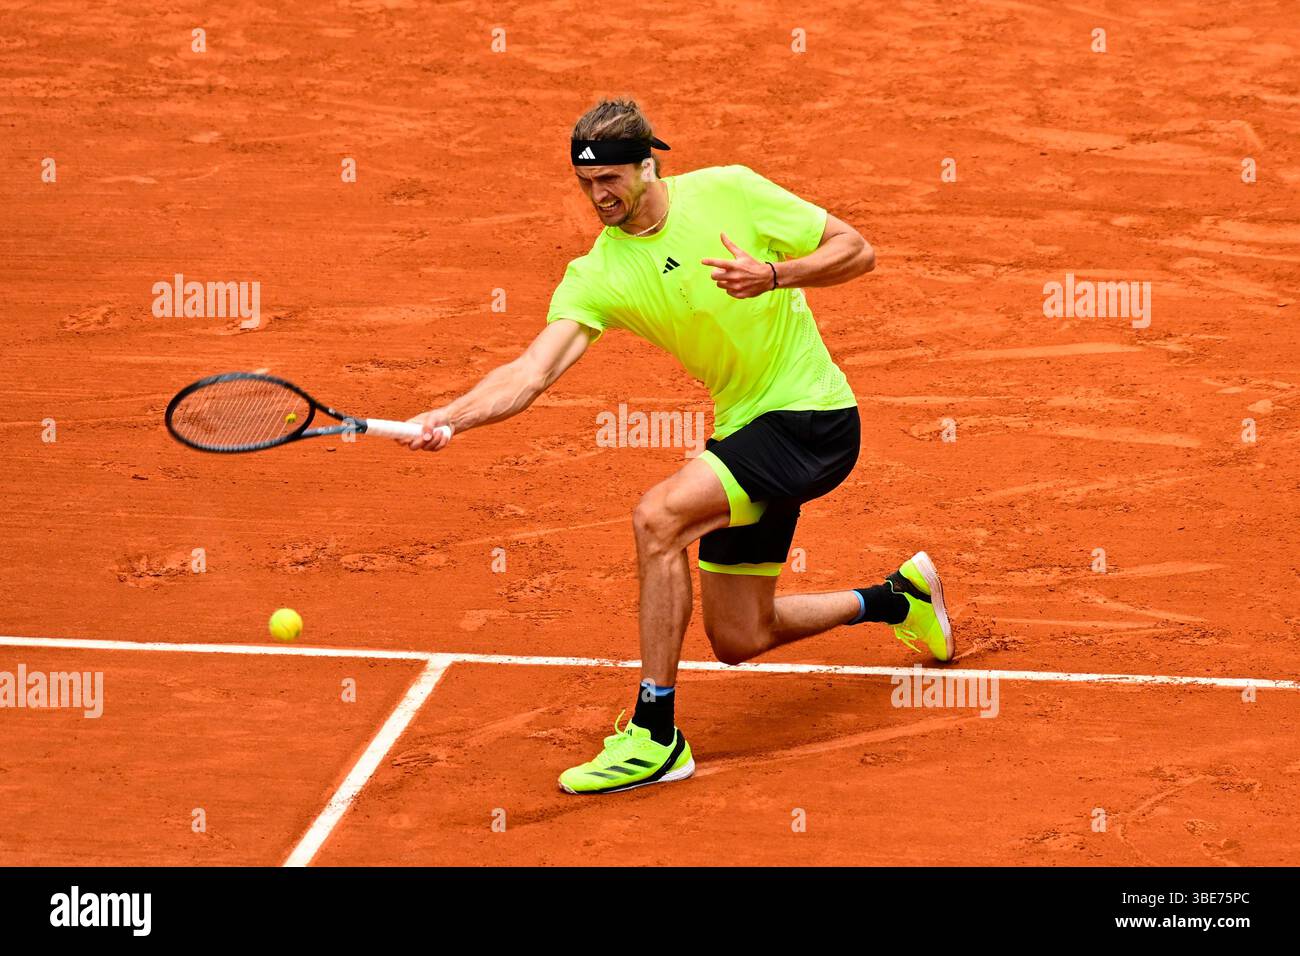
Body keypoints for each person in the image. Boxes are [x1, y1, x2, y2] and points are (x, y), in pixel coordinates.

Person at [402, 98, 953, 794]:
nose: (598, 195)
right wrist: (452, 416)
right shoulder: (599, 274)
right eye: (585, 182)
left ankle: (655, 733)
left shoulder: (730, 190)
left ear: (646, 164)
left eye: (610, 179)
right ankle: (897, 599)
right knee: (740, 638)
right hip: (749, 430)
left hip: (812, 415)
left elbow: (857, 251)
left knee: (658, 517)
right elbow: (531, 372)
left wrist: (776, 274)